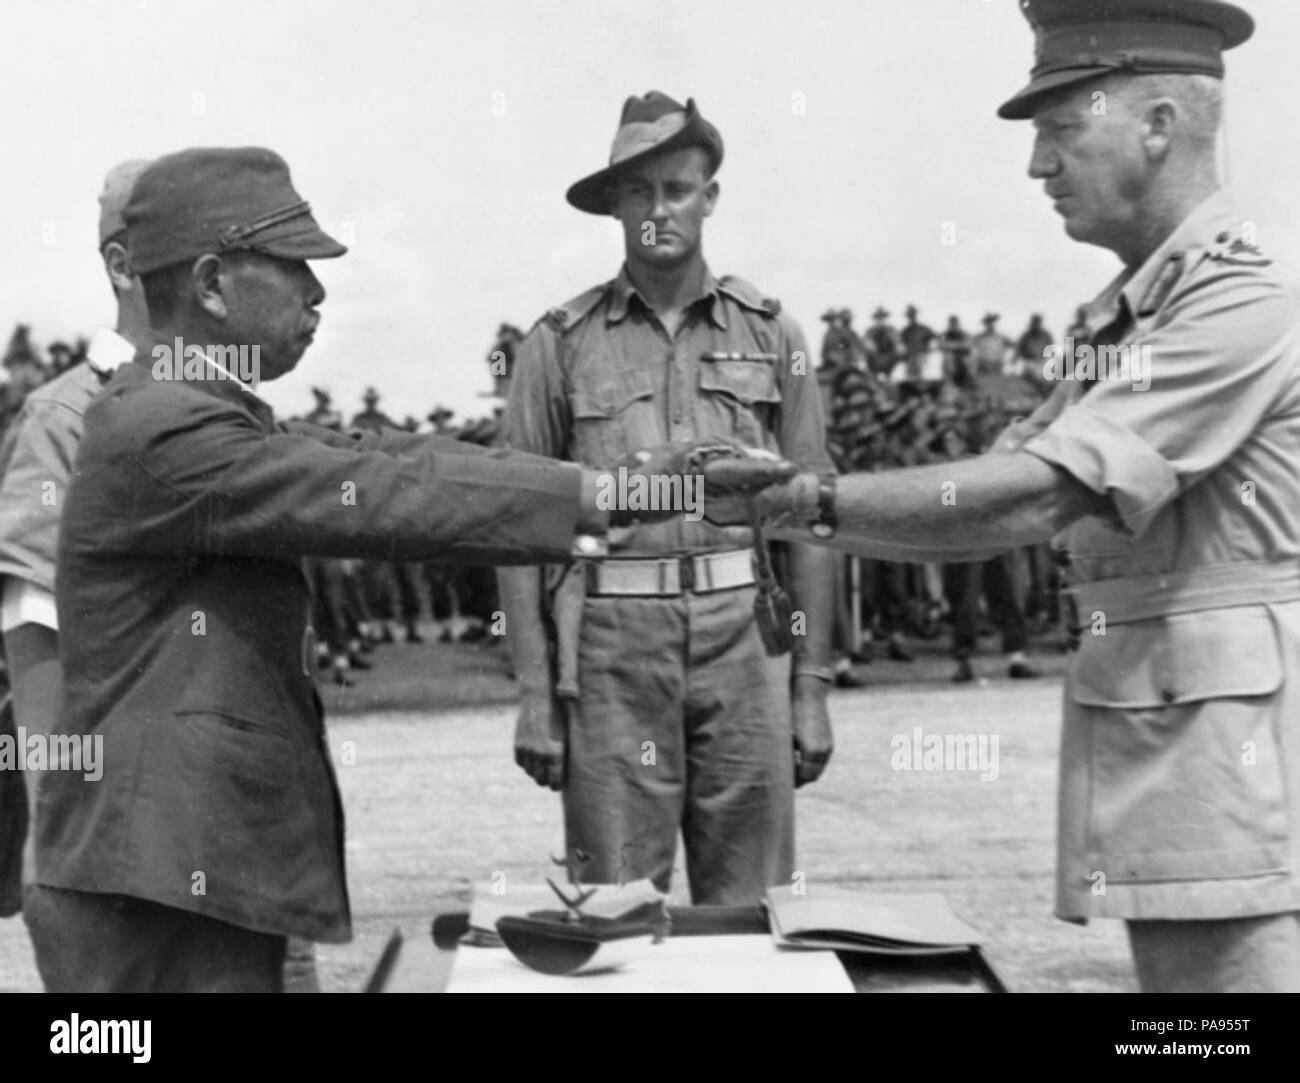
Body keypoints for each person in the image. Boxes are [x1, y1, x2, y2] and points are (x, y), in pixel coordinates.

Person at [22, 145, 760, 993]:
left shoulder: (203, 414)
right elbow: (381, 490)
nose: (318, 291)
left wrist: (624, 476)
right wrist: (621, 489)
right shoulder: (166, 429)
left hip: (178, 874)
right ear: (214, 283)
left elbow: (385, 455)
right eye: (293, 265)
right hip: (154, 891)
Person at [732, 0, 1300, 993]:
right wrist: (798, 502)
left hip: (1234, 756)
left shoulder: (1241, 307)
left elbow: (1028, 500)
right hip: (1176, 733)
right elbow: (975, 518)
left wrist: (802, 501)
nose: (1037, 166)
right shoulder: (1125, 316)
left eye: (1059, 129)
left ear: (1158, 125)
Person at [498, 91, 836, 905]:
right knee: (615, 911)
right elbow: (518, 526)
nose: (659, 212)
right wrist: (537, 698)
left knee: (754, 916)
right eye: (639, 193)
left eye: (677, 189)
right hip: (613, 649)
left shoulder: (773, 335)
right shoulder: (557, 343)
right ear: (614, 205)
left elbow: (814, 519)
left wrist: (812, 689)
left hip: (745, 644)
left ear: (709, 197)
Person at [0, 160, 150, 918]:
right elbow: (37, 645)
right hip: (129, 839)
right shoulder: (65, 419)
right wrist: (60, 851)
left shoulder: (233, 408)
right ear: (122, 264)